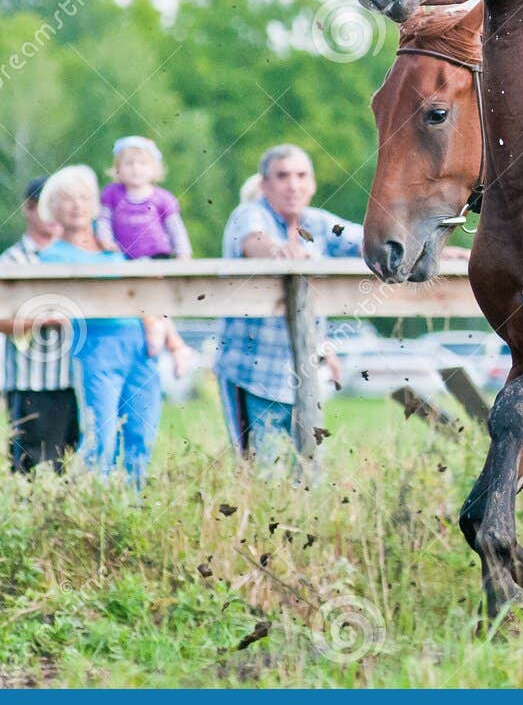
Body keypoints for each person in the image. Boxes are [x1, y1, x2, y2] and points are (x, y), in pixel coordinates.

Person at [35, 166, 182, 486]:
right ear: (53, 208)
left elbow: (142, 293)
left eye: (84, 197)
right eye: (67, 198)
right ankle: (95, 511)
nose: (76, 204)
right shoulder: (50, 257)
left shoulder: (117, 249)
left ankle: (134, 506)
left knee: (141, 434)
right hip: (95, 347)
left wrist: (162, 330)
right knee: (101, 438)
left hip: (140, 346)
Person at [214, 145, 361, 464]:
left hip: (303, 374)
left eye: (301, 176)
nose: (293, 184)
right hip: (252, 373)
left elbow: (367, 241)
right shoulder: (251, 213)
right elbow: (254, 240)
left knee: (310, 469)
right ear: (265, 185)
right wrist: (279, 250)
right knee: (261, 471)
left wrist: (435, 250)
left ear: (312, 184)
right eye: (282, 176)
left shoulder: (317, 223)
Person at [2, 175, 81, 473]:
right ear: (29, 209)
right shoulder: (13, 260)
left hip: (73, 379)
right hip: (31, 382)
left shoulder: (76, 259)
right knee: (31, 465)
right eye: (43, 208)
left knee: (69, 464)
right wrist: (43, 319)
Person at [93, 136, 193, 259]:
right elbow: (104, 220)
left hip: (158, 257)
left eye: (143, 163)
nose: (136, 168)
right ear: (118, 168)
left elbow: (175, 228)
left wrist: (183, 253)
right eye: (129, 163)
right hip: (121, 257)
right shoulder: (112, 194)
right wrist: (105, 241)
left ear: (154, 168)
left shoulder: (163, 198)